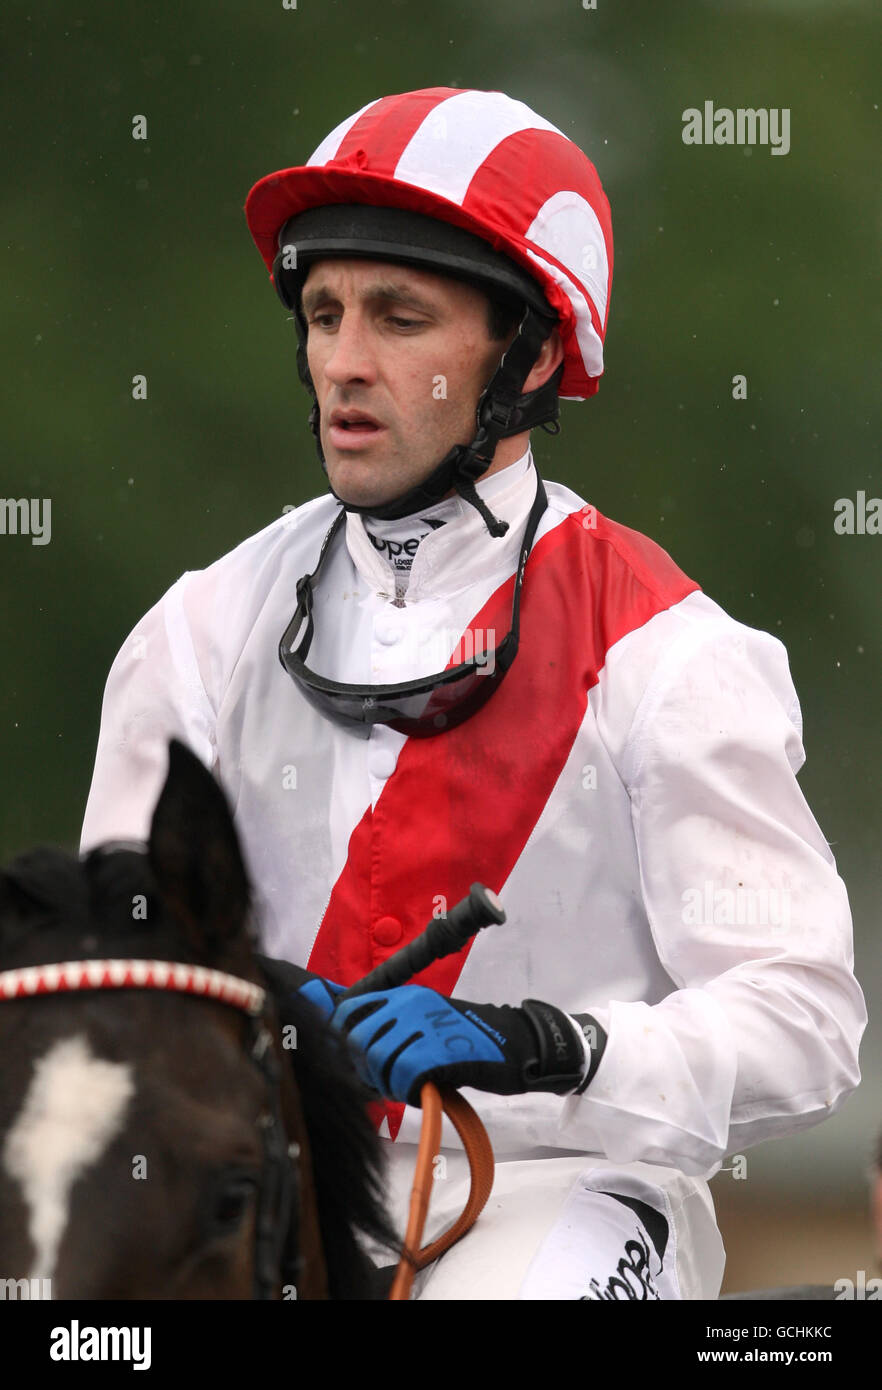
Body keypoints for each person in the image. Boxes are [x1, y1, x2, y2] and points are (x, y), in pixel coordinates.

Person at [80, 86, 866, 1300]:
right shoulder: (198, 630)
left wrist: (549, 1043)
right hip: (263, 1195)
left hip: (563, 1188)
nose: (342, 361)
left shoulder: (671, 651)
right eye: (324, 311)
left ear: (534, 352)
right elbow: (111, 977)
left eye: (400, 318)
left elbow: (804, 1025)